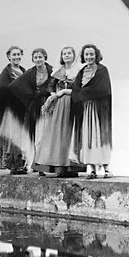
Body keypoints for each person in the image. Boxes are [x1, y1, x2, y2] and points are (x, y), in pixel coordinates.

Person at [33, 45, 82, 177]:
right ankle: (58, 166)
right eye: (64, 53)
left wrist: (65, 91)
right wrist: (54, 95)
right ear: (61, 56)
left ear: (74, 56)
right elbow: (50, 87)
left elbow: (81, 90)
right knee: (57, 133)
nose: (66, 56)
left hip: (73, 103)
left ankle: (70, 167)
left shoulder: (79, 71)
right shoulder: (57, 72)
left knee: (69, 134)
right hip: (60, 105)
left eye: (69, 53)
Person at [6, 47, 54, 169]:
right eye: (35, 58)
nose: (38, 60)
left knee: (45, 135)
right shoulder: (30, 72)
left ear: (45, 58)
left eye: (40, 57)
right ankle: (34, 164)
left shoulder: (52, 71)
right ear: (33, 59)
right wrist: (27, 98)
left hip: (48, 106)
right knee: (34, 136)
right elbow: (14, 86)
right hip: (34, 107)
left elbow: (55, 86)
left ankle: (45, 165)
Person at [71, 43, 112, 179]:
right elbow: (75, 90)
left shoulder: (102, 70)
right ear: (83, 56)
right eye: (86, 54)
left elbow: (103, 89)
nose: (89, 57)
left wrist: (85, 92)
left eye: (91, 54)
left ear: (96, 55)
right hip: (86, 109)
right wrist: (85, 93)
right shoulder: (82, 71)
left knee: (100, 137)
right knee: (89, 137)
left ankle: (106, 168)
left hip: (99, 110)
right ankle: (92, 169)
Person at [0, 46, 30, 174]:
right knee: (13, 137)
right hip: (11, 109)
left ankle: (21, 163)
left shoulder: (23, 70)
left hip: (22, 108)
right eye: (14, 55)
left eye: (19, 54)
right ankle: (13, 165)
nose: (16, 57)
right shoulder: (7, 72)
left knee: (21, 136)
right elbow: (1, 89)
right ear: (9, 57)